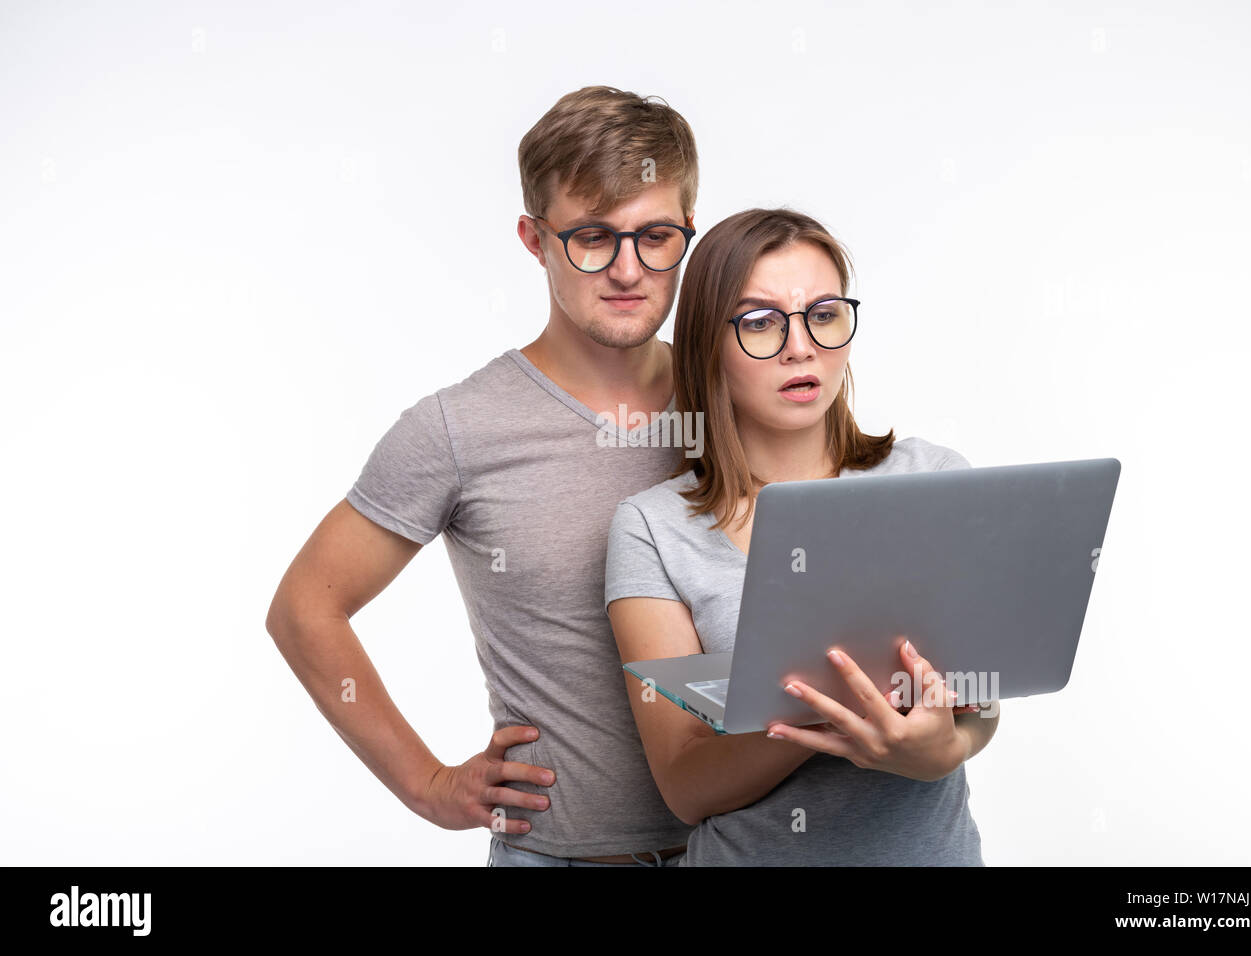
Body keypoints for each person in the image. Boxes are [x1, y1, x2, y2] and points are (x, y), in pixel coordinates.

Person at [265, 86, 703, 866]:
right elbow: (305, 610)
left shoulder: (732, 402)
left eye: (656, 236)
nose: (629, 269)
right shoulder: (457, 428)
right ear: (535, 239)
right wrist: (428, 783)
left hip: (740, 845)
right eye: (593, 237)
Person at [604, 207, 1000, 865]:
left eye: (823, 314)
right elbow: (684, 784)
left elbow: (978, 699)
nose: (800, 346)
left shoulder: (933, 479)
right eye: (760, 322)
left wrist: (943, 750)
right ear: (709, 344)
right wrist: (821, 714)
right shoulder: (653, 528)